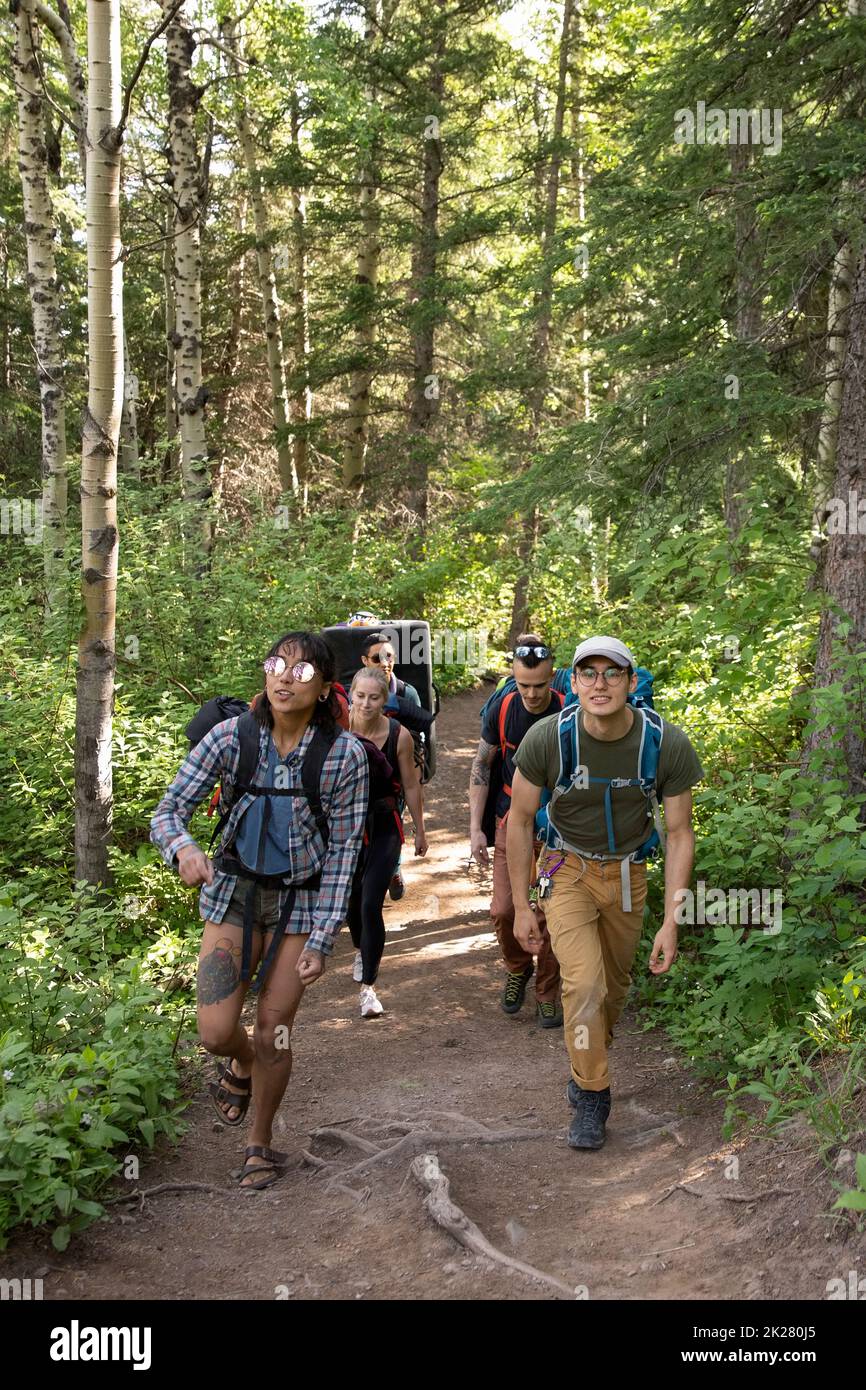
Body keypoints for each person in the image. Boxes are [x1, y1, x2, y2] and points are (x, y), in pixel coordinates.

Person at [150, 631, 369, 1189]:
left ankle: (260, 1143)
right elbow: (169, 810)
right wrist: (184, 848)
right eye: (276, 665)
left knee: (275, 1030)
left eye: (300, 672)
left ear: (323, 688)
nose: (283, 678)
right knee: (217, 1031)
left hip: (302, 902)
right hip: (234, 894)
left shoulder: (344, 755)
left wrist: (322, 939)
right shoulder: (231, 738)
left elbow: (345, 852)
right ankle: (240, 1064)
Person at [507, 636, 703, 1150]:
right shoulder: (549, 739)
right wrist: (522, 905)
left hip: (627, 874)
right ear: (572, 684)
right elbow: (521, 820)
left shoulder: (664, 743)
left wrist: (672, 920)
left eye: (611, 673)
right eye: (588, 674)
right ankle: (592, 1094)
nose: (600, 683)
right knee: (585, 985)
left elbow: (681, 832)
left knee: (612, 991)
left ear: (631, 682)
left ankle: (585, 1060)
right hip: (563, 865)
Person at [469, 635, 564, 1028]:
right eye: (524, 684)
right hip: (511, 821)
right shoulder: (504, 707)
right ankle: (517, 967)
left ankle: (547, 992)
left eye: (539, 685)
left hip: (557, 829)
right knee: (505, 909)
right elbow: (481, 764)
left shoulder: (569, 711)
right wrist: (475, 827)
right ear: (513, 676)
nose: (531, 693)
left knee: (552, 912)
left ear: (552, 677)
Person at [346, 668, 428, 1014]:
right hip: (344, 827)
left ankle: (368, 988)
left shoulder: (400, 736)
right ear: (351, 695)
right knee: (350, 905)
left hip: (384, 824)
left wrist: (420, 829)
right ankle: (360, 948)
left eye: (374, 697)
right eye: (361, 696)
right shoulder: (336, 729)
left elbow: (410, 784)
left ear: (385, 700)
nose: (366, 703)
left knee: (369, 902)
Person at [359, 630, 422, 899]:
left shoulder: (408, 694)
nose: (384, 662)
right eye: (377, 657)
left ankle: (392, 868)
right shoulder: (356, 693)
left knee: (392, 824)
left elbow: (419, 739)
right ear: (365, 660)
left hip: (396, 775)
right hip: (357, 775)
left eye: (389, 656)